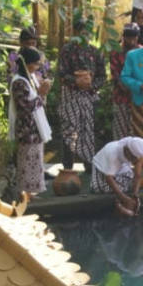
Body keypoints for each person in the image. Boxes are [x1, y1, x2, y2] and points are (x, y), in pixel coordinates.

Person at [56, 15, 105, 170]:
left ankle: (89, 166)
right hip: (70, 95)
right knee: (69, 130)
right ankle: (67, 167)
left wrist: (91, 86)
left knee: (88, 130)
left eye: (87, 32)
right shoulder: (66, 50)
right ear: (75, 32)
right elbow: (62, 74)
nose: (85, 35)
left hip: (89, 96)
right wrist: (76, 81)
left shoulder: (95, 51)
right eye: (81, 31)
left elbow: (102, 75)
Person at [10, 47, 52, 195]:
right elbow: (24, 107)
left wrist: (42, 93)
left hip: (35, 128)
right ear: (27, 64)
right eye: (35, 64)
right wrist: (41, 94)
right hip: (26, 128)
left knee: (35, 161)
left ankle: (31, 193)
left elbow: (38, 102)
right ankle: (25, 194)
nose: (37, 67)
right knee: (27, 162)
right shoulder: (19, 82)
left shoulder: (30, 79)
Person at [92, 136, 143, 217]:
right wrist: (124, 199)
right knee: (99, 188)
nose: (135, 161)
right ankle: (121, 204)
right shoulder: (112, 152)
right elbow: (109, 178)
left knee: (131, 185)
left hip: (120, 169)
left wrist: (135, 194)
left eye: (136, 159)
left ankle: (123, 206)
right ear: (127, 150)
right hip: (101, 168)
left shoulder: (138, 152)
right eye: (133, 158)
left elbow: (138, 175)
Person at [109, 23, 142, 140]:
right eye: (129, 37)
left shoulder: (142, 52)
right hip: (121, 98)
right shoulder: (116, 52)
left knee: (137, 134)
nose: (132, 41)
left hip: (139, 99)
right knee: (120, 134)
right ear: (124, 37)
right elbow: (116, 76)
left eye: (134, 37)